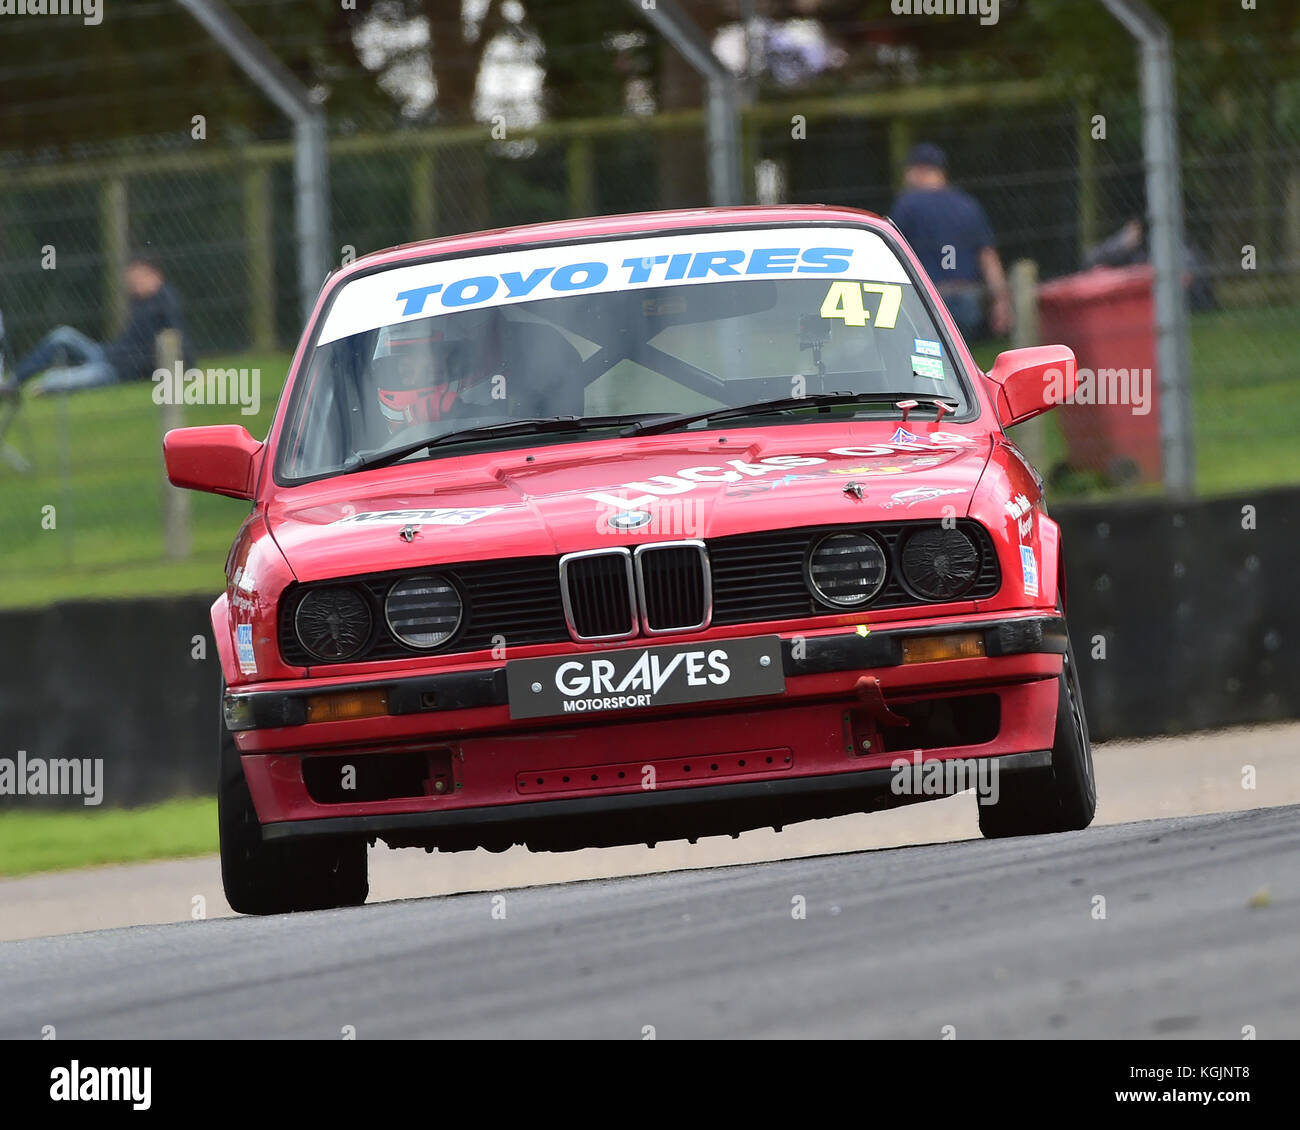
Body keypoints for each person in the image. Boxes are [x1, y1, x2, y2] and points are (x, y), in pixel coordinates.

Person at [0, 252, 193, 399]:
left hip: (119, 371)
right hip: (107, 354)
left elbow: (178, 342)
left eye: (136, 276)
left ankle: (45, 387)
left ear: (152, 275)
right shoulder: (141, 301)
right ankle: (11, 382)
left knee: (52, 380)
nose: (131, 282)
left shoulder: (166, 303)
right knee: (62, 336)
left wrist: (189, 370)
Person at [888, 142, 1012, 341]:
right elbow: (988, 256)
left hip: (930, 298)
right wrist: (1001, 301)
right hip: (969, 296)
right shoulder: (968, 205)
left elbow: (893, 254)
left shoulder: (907, 206)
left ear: (918, 170)